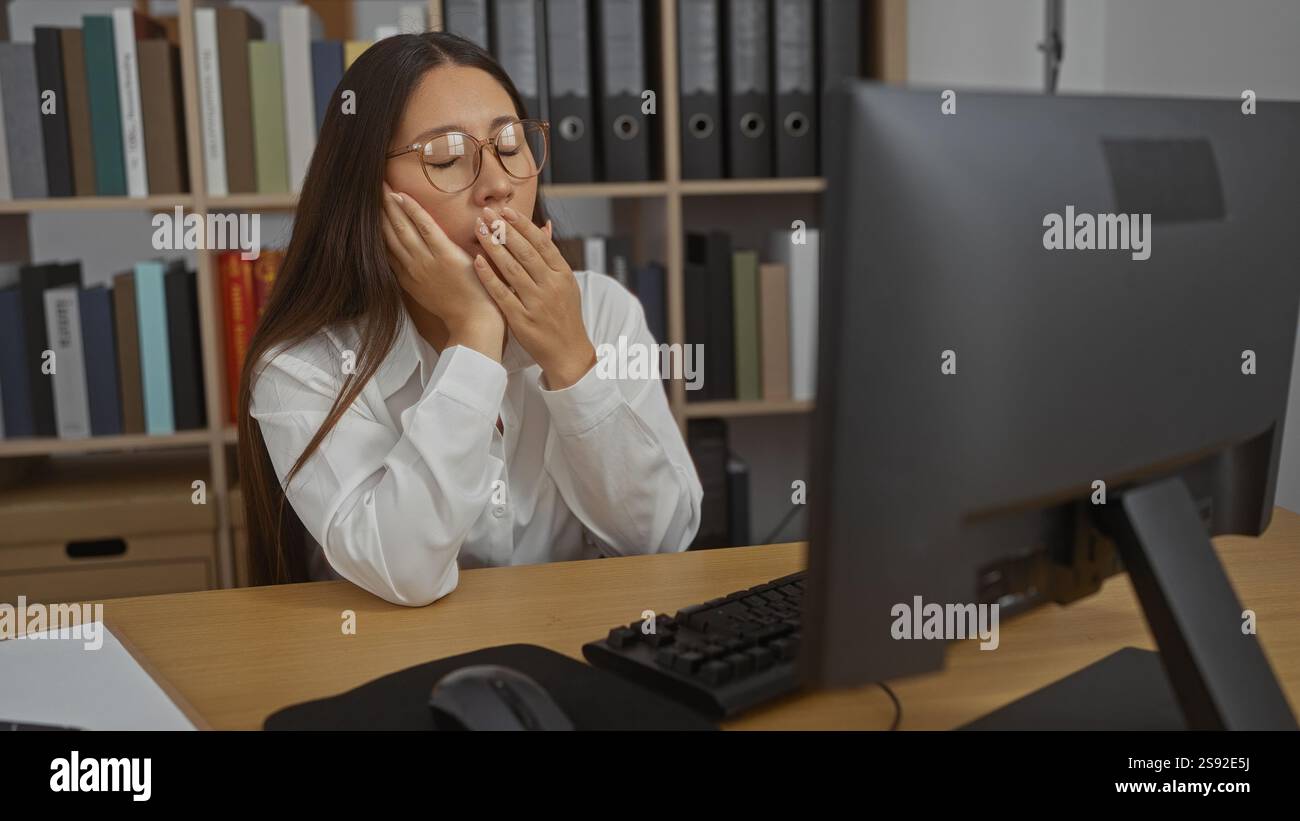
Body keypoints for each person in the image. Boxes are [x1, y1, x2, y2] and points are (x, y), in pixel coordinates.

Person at [237, 32, 702, 606]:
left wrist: (570, 362)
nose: (499, 186)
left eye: (510, 147)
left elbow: (662, 541)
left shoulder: (603, 309)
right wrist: (475, 333)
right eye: (446, 158)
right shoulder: (301, 366)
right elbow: (405, 572)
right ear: (369, 193)